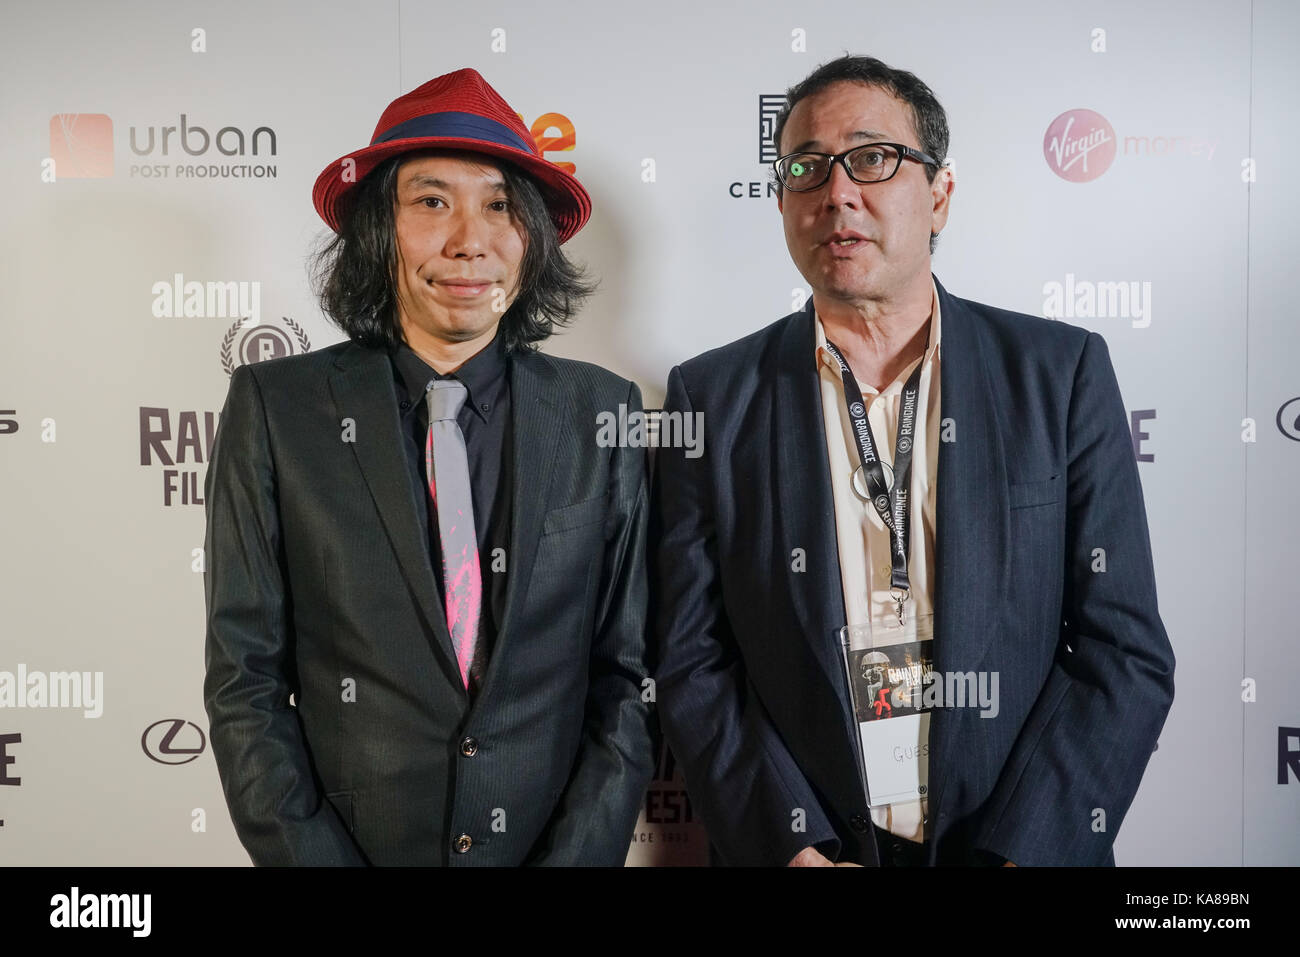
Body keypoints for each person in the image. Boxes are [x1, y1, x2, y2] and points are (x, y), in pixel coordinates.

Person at [651, 54, 1175, 867]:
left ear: (939, 194)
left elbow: (1123, 651)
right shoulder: (712, 396)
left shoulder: (1058, 372)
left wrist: (1022, 853)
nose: (837, 193)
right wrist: (790, 848)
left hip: (1015, 844)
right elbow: (691, 655)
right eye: (806, 168)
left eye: (872, 158)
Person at [203, 68, 653, 866]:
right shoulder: (279, 409)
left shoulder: (601, 415)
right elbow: (246, 684)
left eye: (500, 205)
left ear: (532, 239)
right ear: (381, 230)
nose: (468, 242)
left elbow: (626, 682)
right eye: (432, 201)